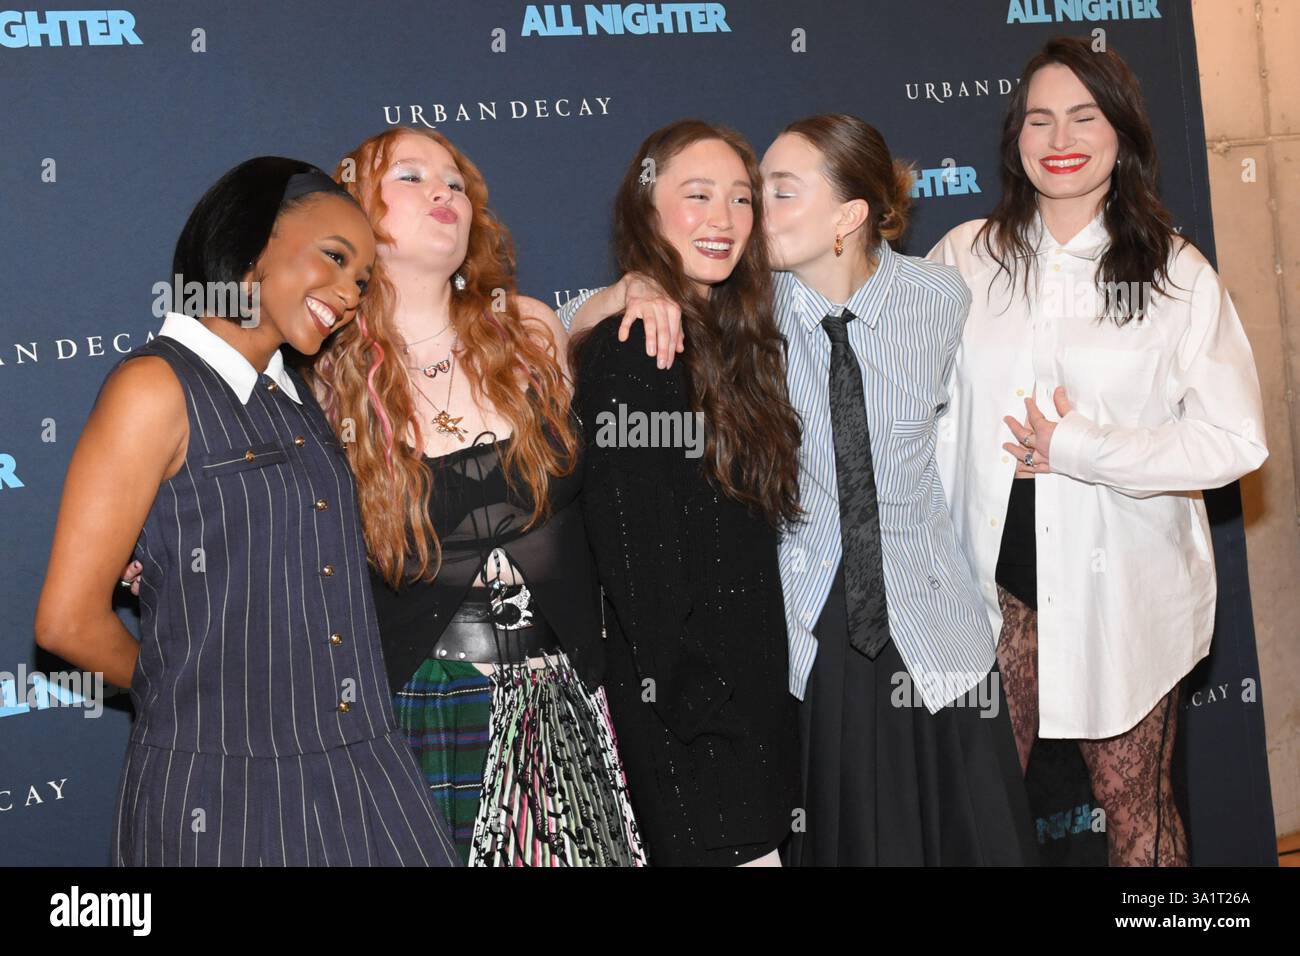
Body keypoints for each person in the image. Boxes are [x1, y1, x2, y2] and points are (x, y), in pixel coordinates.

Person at [563, 114, 1037, 866]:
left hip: (939, 634)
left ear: (848, 216)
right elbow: (569, 334)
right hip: (813, 640)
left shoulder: (941, 298)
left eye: (770, 195)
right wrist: (631, 287)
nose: (743, 216)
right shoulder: (745, 312)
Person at [35, 157, 459, 866]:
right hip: (222, 789)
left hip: (365, 768)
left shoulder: (298, 396)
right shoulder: (155, 387)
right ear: (251, 240)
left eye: (361, 280)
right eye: (332, 256)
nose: (350, 294)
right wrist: (199, 700)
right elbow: (67, 622)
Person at [927, 36, 1268, 866]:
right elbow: (859, 327)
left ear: (1121, 131)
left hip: (1125, 593)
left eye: (1083, 115)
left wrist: (1079, 446)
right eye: (1038, 119)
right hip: (988, 596)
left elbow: (1234, 439)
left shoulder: (1176, 276)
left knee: (1136, 810)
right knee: (979, 820)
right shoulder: (964, 256)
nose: (1059, 138)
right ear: (1016, 138)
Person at [309, 127, 645, 866]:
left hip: (570, 697)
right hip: (428, 707)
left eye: (456, 181)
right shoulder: (324, 371)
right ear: (354, 212)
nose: (444, 192)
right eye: (411, 176)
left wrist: (638, 287)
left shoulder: (529, 331)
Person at [570, 119, 803, 866]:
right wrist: (697, 703)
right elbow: (634, 552)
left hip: (746, 708)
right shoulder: (640, 347)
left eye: (741, 200)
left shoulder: (727, 337)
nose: (723, 220)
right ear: (647, 211)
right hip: (693, 724)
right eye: (697, 195)